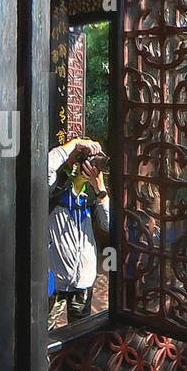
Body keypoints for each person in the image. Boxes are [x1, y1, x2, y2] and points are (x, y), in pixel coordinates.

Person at [48, 137, 106, 325]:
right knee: (44, 333)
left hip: (83, 280)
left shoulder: (91, 194)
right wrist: (75, 143)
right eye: (88, 160)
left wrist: (100, 189)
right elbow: (44, 167)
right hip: (55, 279)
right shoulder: (57, 187)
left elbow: (108, 225)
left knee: (80, 335)